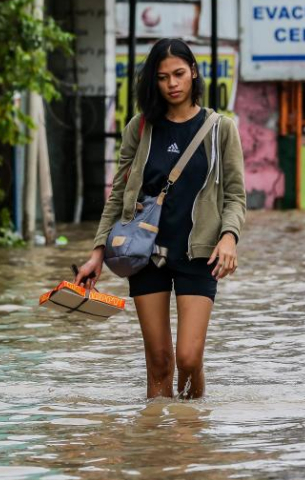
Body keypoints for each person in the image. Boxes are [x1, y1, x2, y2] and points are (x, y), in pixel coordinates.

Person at [75, 38, 246, 400]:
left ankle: (191, 430)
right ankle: (158, 447)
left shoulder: (221, 129)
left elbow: (235, 194)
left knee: (187, 357)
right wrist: (97, 251)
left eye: (179, 74)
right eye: (163, 76)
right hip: (145, 253)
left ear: (194, 73)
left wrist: (229, 236)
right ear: (153, 81)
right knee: (158, 361)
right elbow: (118, 196)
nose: (172, 84)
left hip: (198, 254)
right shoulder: (140, 127)